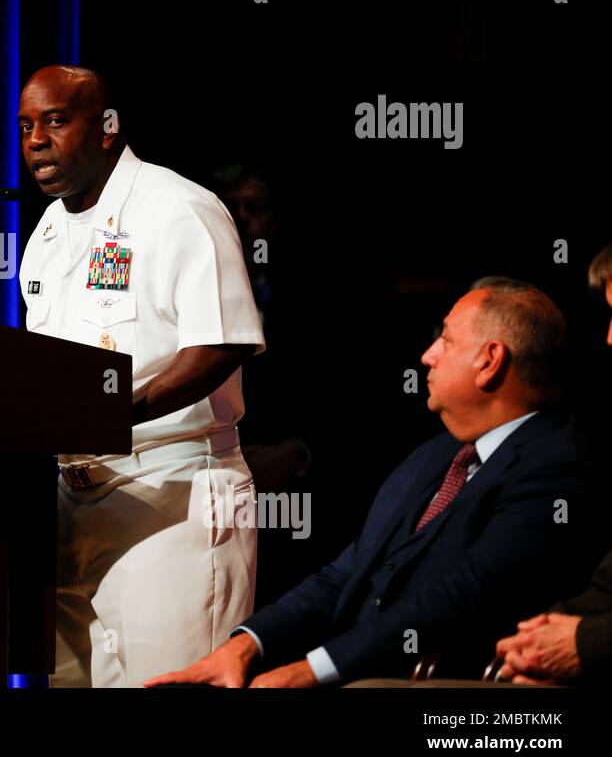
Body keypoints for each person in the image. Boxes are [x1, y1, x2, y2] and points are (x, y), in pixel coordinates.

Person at [145, 278, 603, 687]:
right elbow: (343, 574)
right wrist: (244, 647)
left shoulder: (558, 465)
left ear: (490, 360)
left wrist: (309, 671)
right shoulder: (434, 455)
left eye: (444, 338)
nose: (427, 355)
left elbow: (460, 597)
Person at [17, 65, 265, 687]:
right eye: (25, 127)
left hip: (170, 492)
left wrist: (109, 413)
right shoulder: (47, 232)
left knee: (165, 686)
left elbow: (220, 344)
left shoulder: (177, 207)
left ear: (106, 128)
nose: (36, 142)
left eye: (55, 121)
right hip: (64, 503)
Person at [493, 244, 612, 684]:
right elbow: (609, 586)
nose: (610, 338)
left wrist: (584, 644)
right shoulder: (424, 460)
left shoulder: (559, 455)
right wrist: (541, 638)